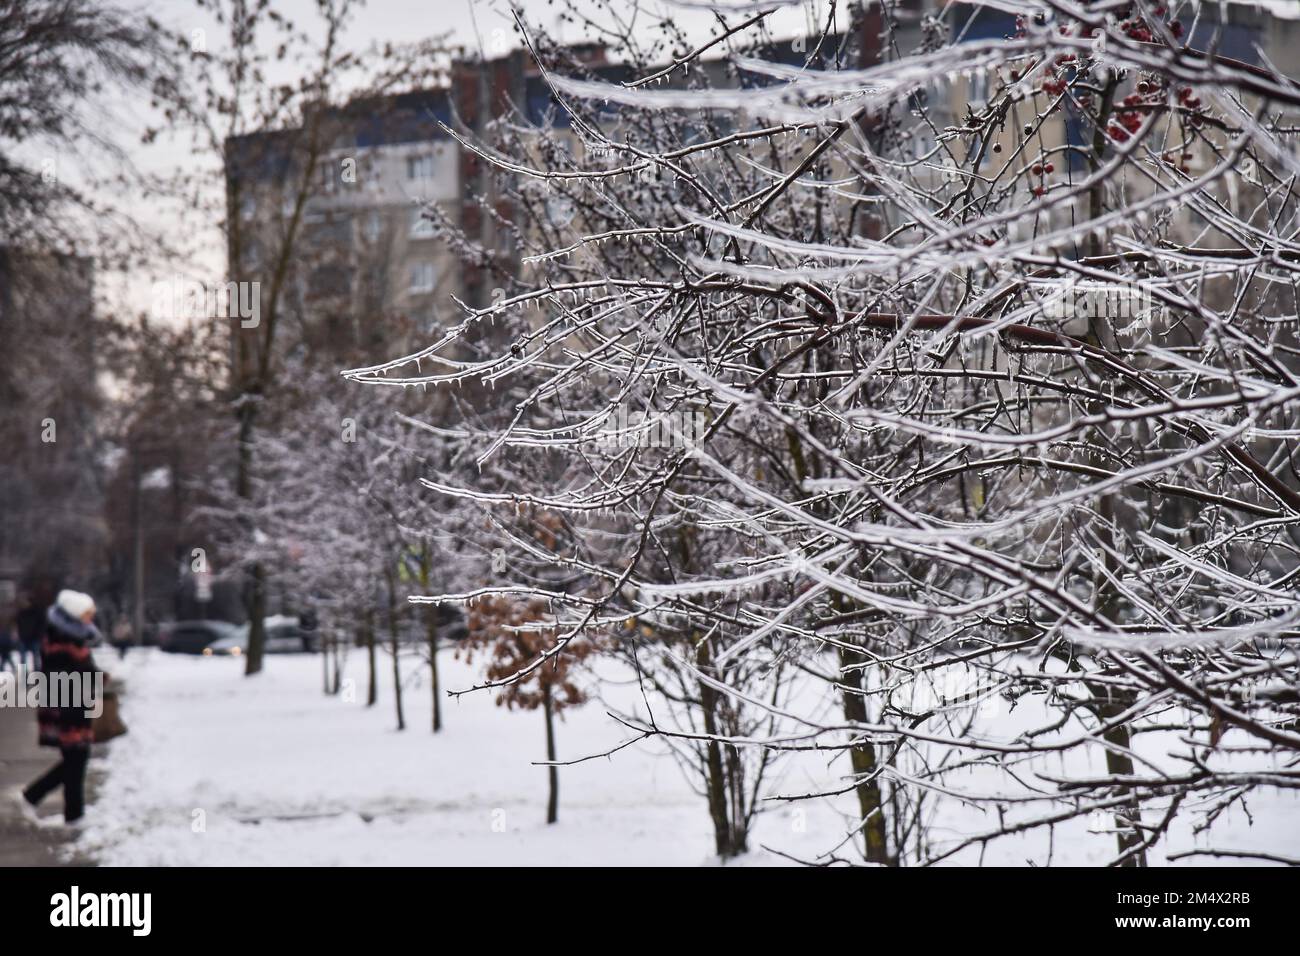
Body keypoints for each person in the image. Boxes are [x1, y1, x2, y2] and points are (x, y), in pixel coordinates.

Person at [22, 590, 103, 825]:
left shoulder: (70, 637)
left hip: (75, 704)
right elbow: (63, 675)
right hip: (67, 706)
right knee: (75, 759)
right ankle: (67, 813)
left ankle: (53, 805)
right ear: (75, 615)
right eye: (87, 614)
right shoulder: (61, 641)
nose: (91, 618)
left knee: (75, 759)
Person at [14, 593, 44, 671]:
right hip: (23, 638)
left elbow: (41, 624)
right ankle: (24, 673)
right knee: (23, 658)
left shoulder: (36, 612)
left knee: (36, 657)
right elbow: (17, 623)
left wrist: (39, 635)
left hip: (34, 638)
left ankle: (37, 673)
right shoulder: (20, 613)